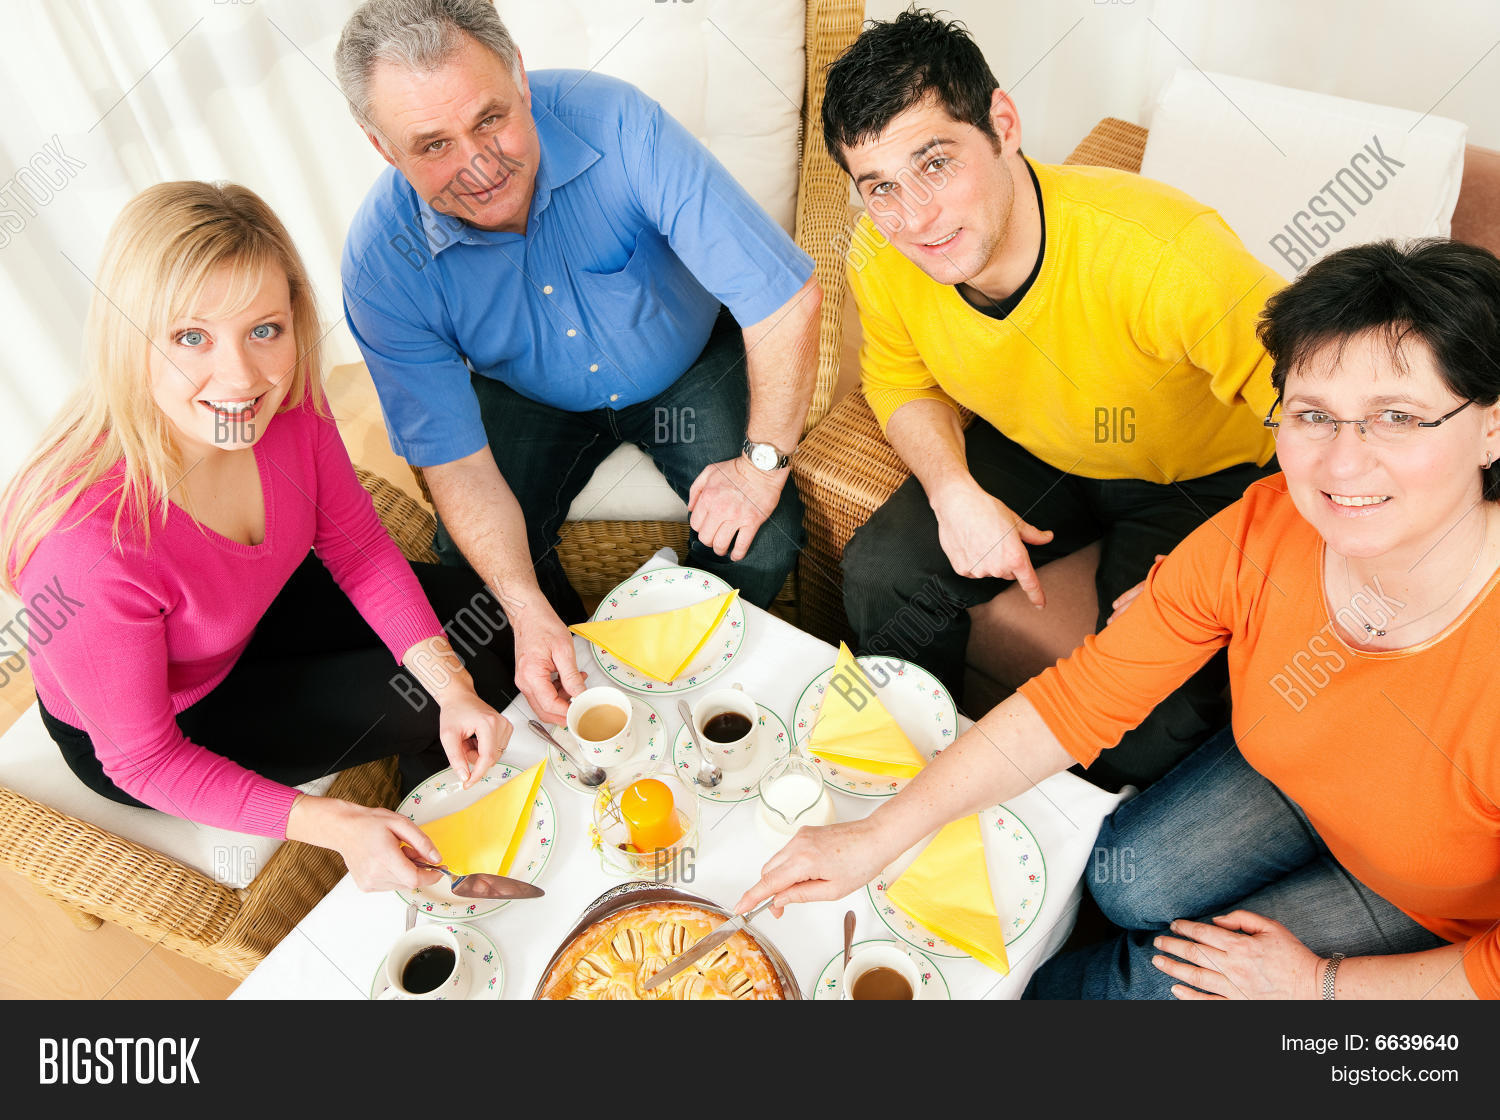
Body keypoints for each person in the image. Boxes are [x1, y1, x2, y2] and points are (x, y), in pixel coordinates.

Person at [739, 239, 1500, 1000]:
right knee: (1118, 882)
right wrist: (875, 837)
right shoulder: (1264, 525)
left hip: (1437, 907)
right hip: (1290, 780)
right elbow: (1078, 700)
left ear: (1491, 428)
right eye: (1313, 415)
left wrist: (1321, 984)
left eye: (1395, 416)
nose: (1342, 463)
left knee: (1157, 984)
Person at [0, 181, 517, 893]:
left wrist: (452, 683)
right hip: (164, 721)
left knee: (479, 619)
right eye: (191, 338)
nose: (241, 377)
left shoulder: (288, 398)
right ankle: (434, 857)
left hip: (243, 617)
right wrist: (335, 823)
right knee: (420, 704)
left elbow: (358, 548)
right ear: (132, 338)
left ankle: (435, 797)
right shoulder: (87, 548)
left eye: (264, 330)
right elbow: (143, 761)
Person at [825, 9, 1282, 788]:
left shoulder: (1167, 256)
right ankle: (916, 787)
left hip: (1199, 480)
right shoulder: (882, 250)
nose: (915, 218)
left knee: (1144, 724)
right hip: (1038, 446)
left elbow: (1331, 421)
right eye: (881, 187)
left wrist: (1223, 564)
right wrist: (952, 488)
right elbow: (898, 379)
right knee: (882, 576)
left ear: (1002, 122)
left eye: (935, 164)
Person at [334, 0, 821, 727]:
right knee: (479, 573)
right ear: (384, 150)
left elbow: (783, 300)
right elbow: (457, 467)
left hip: (686, 364)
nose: (478, 166)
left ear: (521, 78)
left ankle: (682, 688)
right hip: (528, 397)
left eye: (490, 119)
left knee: (765, 532)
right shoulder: (381, 268)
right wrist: (526, 608)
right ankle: (587, 694)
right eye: (432, 145)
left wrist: (758, 468)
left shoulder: (622, 125)